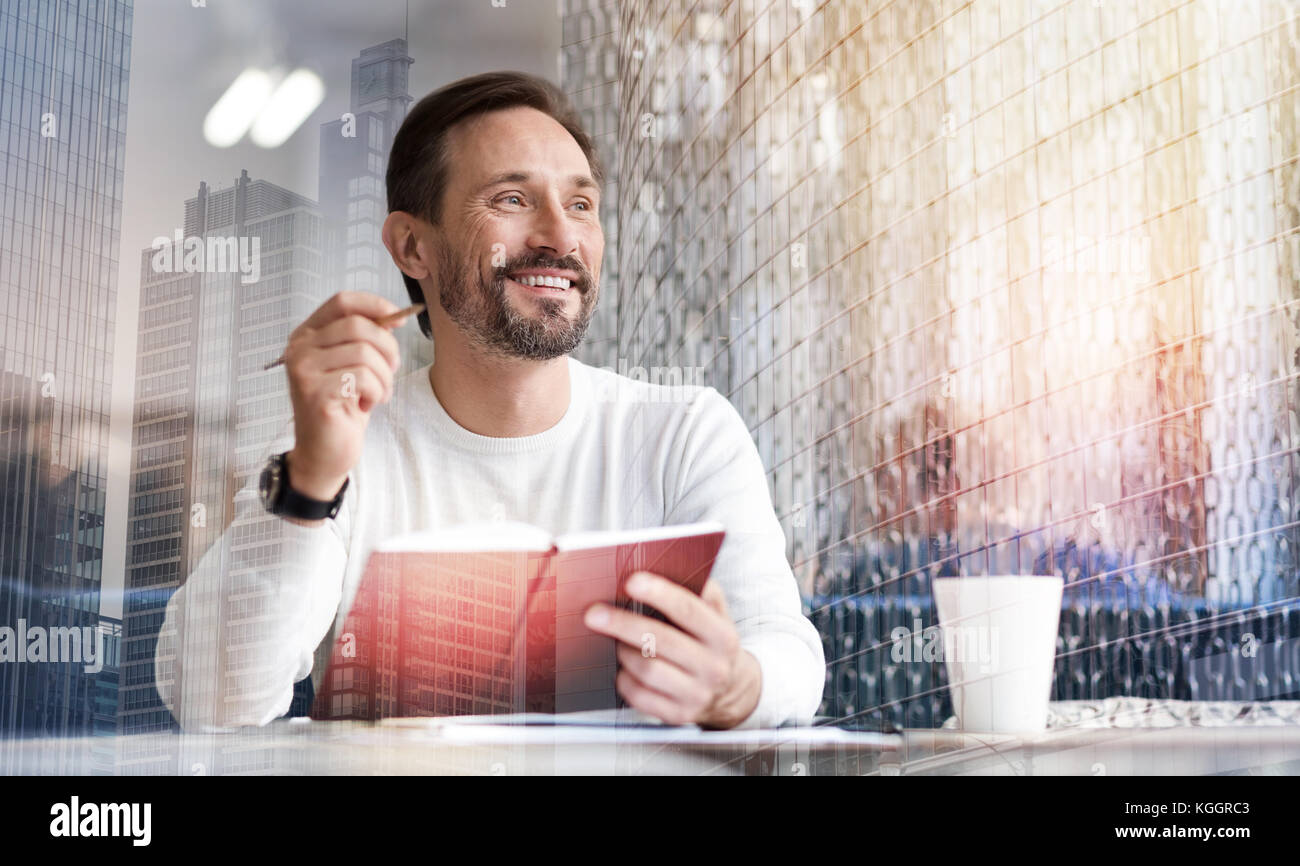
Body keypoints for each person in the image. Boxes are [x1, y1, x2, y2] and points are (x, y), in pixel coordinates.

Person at [156, 71, 824, 731]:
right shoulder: (335, 454)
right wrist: (309, 486)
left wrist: (734, 686)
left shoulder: (685, 434)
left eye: (582, 205)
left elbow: (787, 653)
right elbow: (209, 699)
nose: (561, 237)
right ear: (413, 246)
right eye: (512, 199)